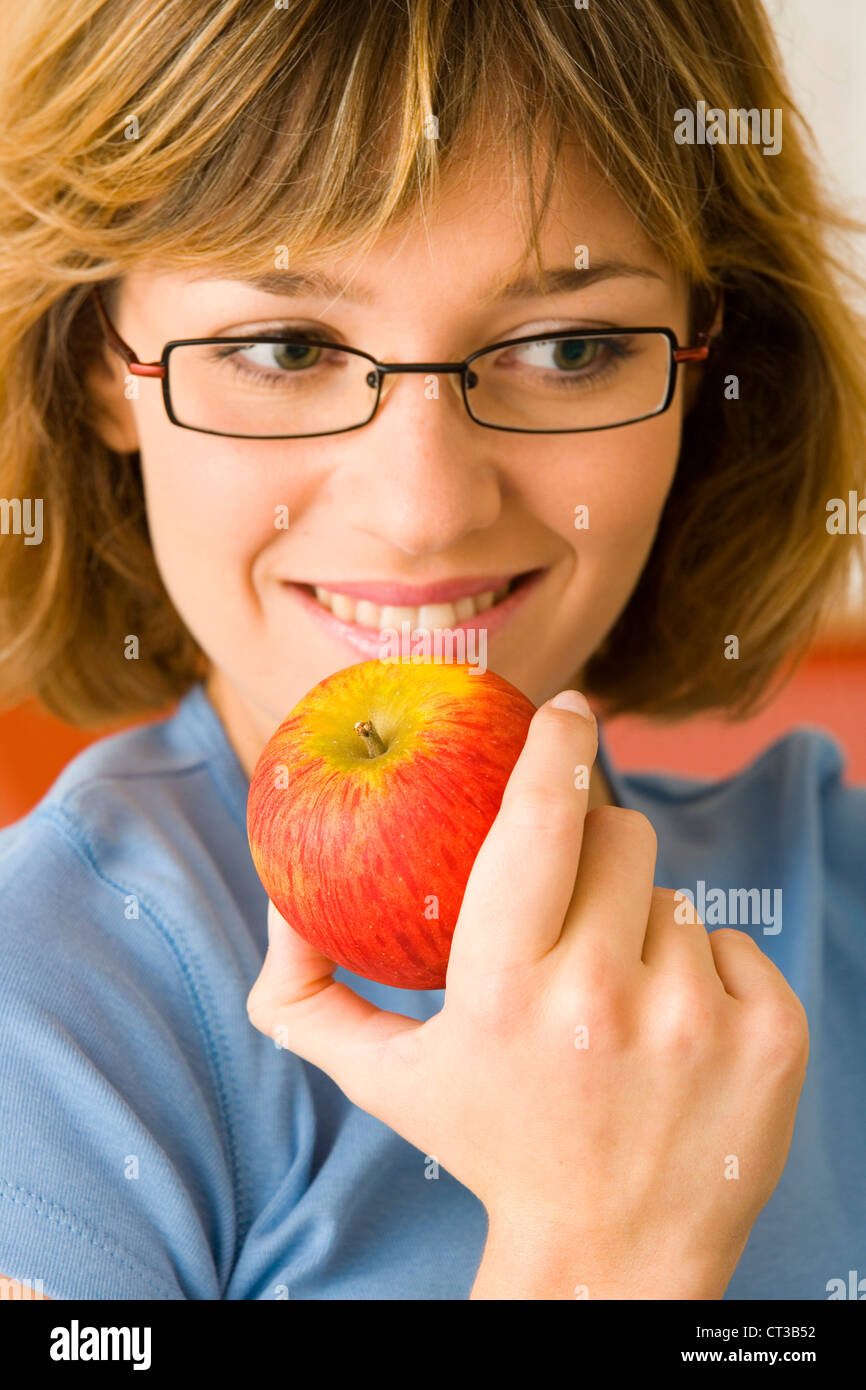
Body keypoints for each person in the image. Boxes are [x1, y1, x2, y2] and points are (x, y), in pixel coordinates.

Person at [0, 0, 864, 1301]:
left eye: (567, 348)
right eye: (282, 349)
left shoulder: (833, 883)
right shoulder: (43, 1012)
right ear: (96, 376)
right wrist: (602, 1248)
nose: (425, 509)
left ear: (708, 368)